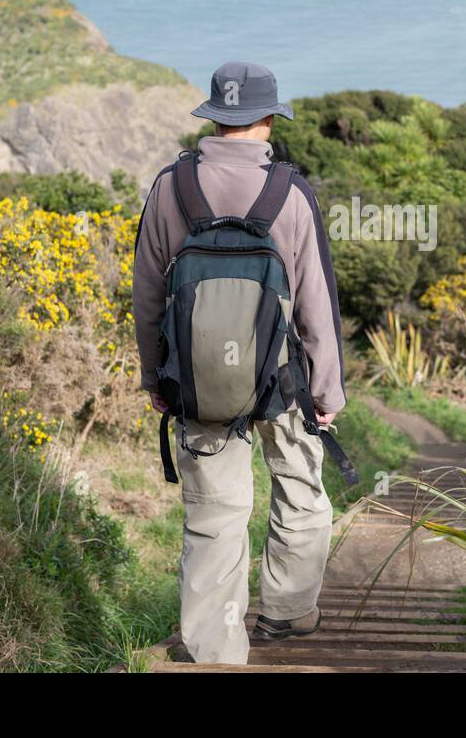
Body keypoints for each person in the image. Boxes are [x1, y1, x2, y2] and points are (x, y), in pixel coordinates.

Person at [132, 61, 347, 664]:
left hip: (198, 383)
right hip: (284, 380)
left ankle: (216, 648)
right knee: (301, 490)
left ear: (212, 116)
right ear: (269, 118)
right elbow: (316, 304)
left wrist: (156, 379)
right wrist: (326, 394)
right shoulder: (291, 192)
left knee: (214, 514)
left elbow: (148, 296)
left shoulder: (170, 187)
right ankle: (288, 613)